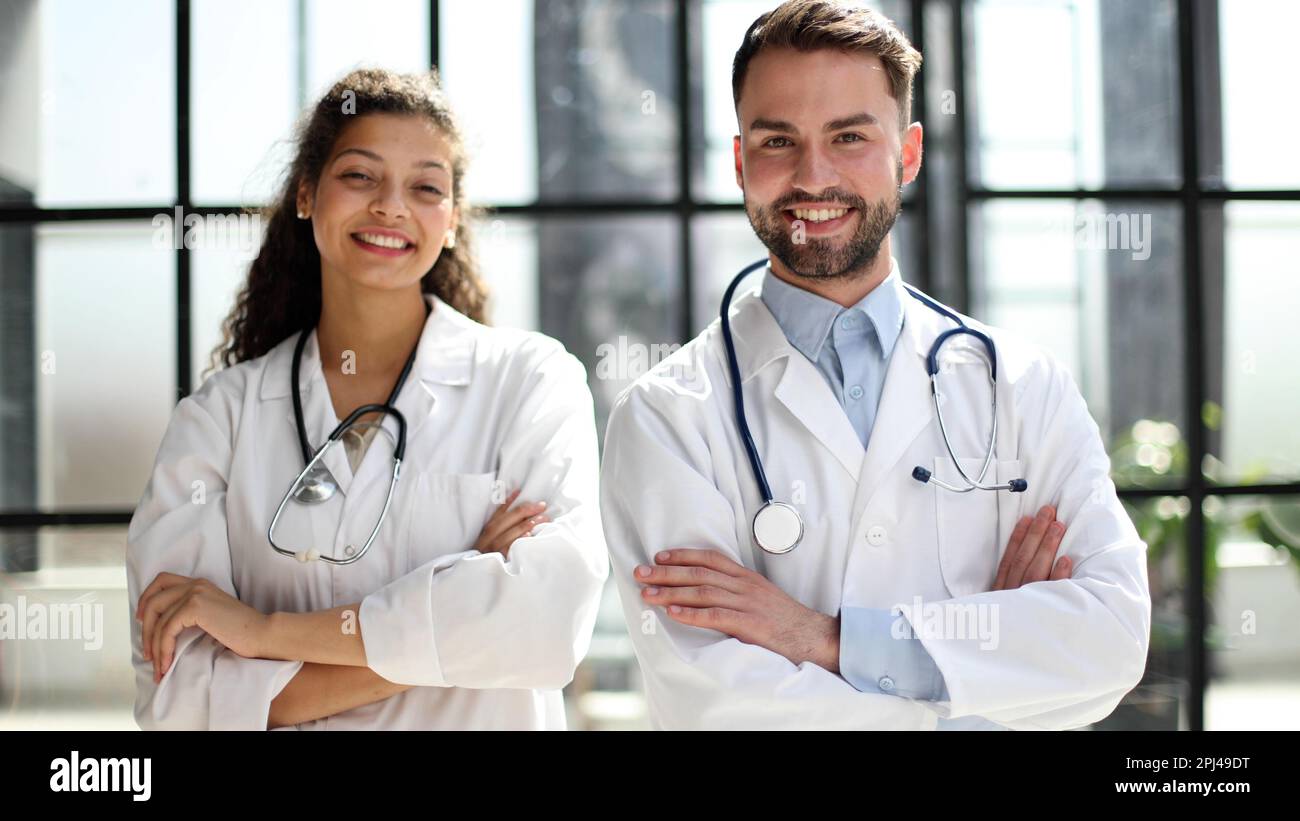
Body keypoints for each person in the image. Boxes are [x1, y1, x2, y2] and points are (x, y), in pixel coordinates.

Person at [600, 0, 1151, 730]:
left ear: (909, 154)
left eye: (850, 136)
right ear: (740, 162)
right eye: (777, 141)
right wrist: (988, 676)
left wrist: (821, 638)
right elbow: (720, 704)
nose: (813, 176)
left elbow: (1109, 639)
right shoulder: (666, 417)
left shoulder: (1023, 386)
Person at [127, 68, 607, 730]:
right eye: (359, 175)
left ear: (451, 219)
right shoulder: (218, 419)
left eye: (426, 187)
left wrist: (263, 630)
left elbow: (546, 627)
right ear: (305, 193)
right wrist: (457, 626)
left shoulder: (530, 382)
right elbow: (180, 697)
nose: (391, 206)